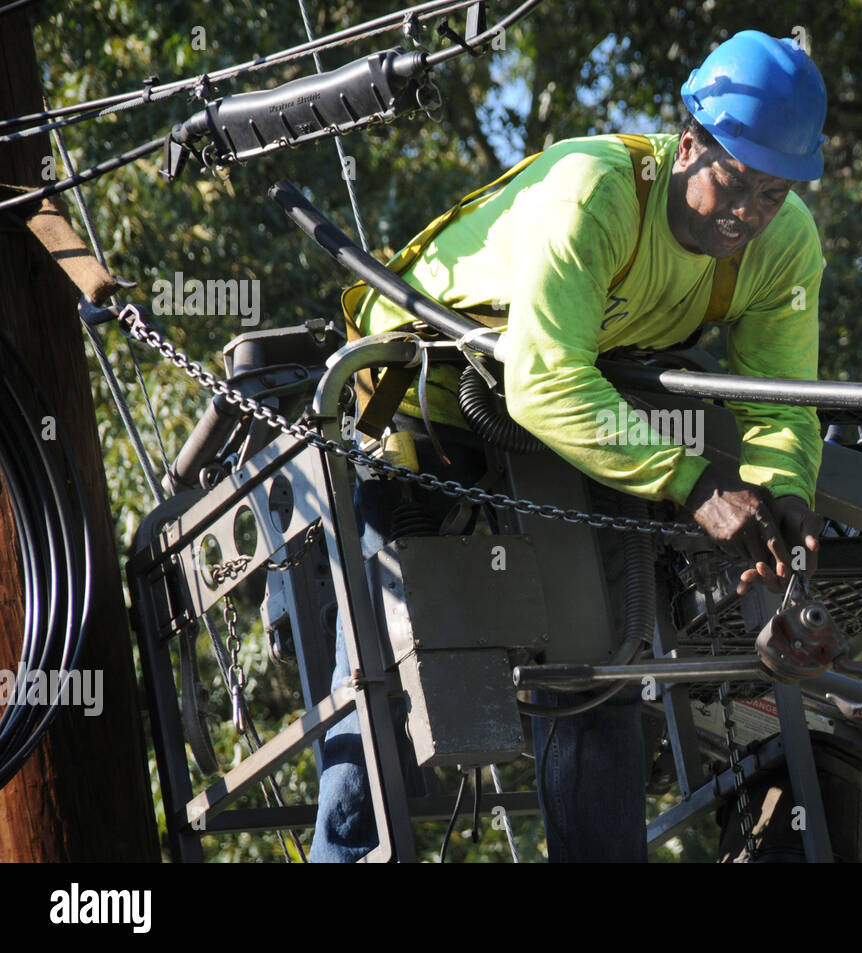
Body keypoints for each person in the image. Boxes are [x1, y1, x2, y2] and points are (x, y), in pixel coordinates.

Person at [311, 29, 829, 862]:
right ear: (691, 145)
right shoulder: (596, 193)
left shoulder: (784, 243)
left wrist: (784, 497)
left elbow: (782, 408)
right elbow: (544, 380)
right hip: (428, 398)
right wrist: (696, 486)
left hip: (576, 421)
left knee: (597, 664)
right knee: (385, 679)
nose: (750, 214)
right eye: (738, 183)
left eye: (774, 194)